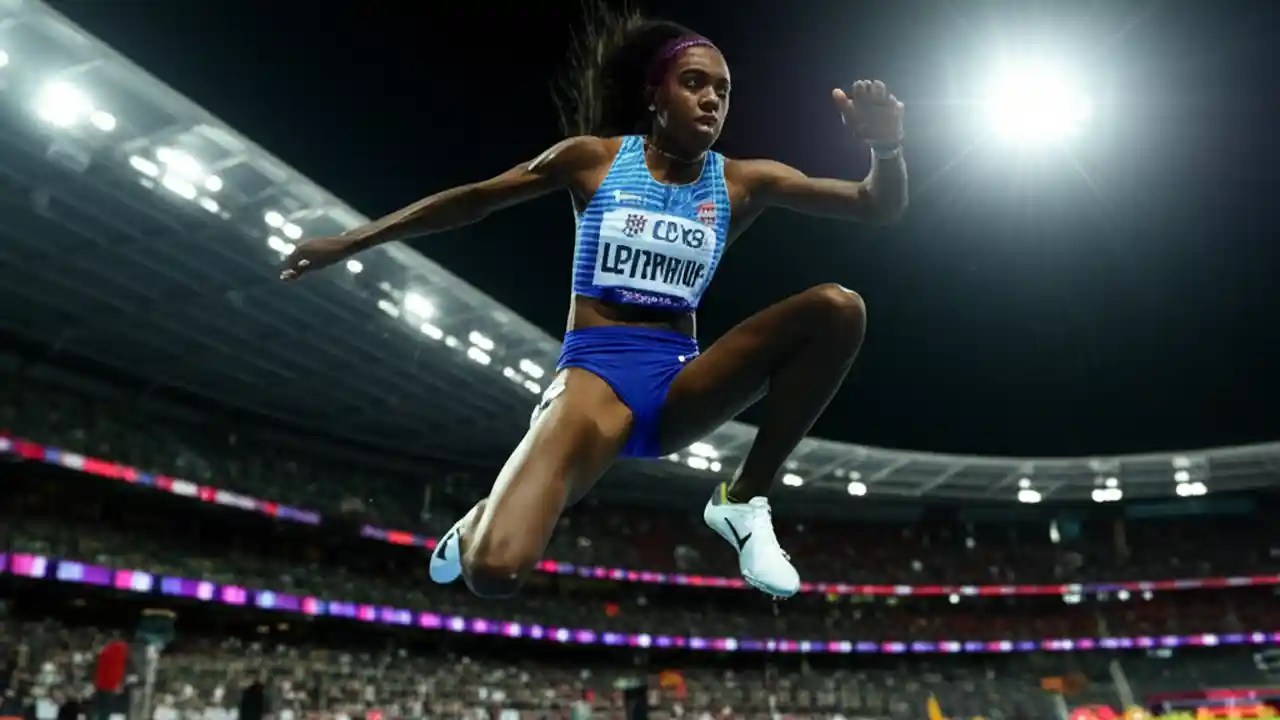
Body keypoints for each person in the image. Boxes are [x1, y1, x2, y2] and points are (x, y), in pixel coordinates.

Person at [281, 7, 907, 600]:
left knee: (838, 309)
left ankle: (742, 501)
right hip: (593, 380)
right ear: (655, 96)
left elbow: (876, 205)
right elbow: (473, 198)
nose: (713, 99)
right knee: (492, 572)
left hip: (678, 385)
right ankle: (479, 522)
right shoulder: (594, 161)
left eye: (723, 89)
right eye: (694, 84)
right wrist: (352, 239)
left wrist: (885, 149)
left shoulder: (743, 181)